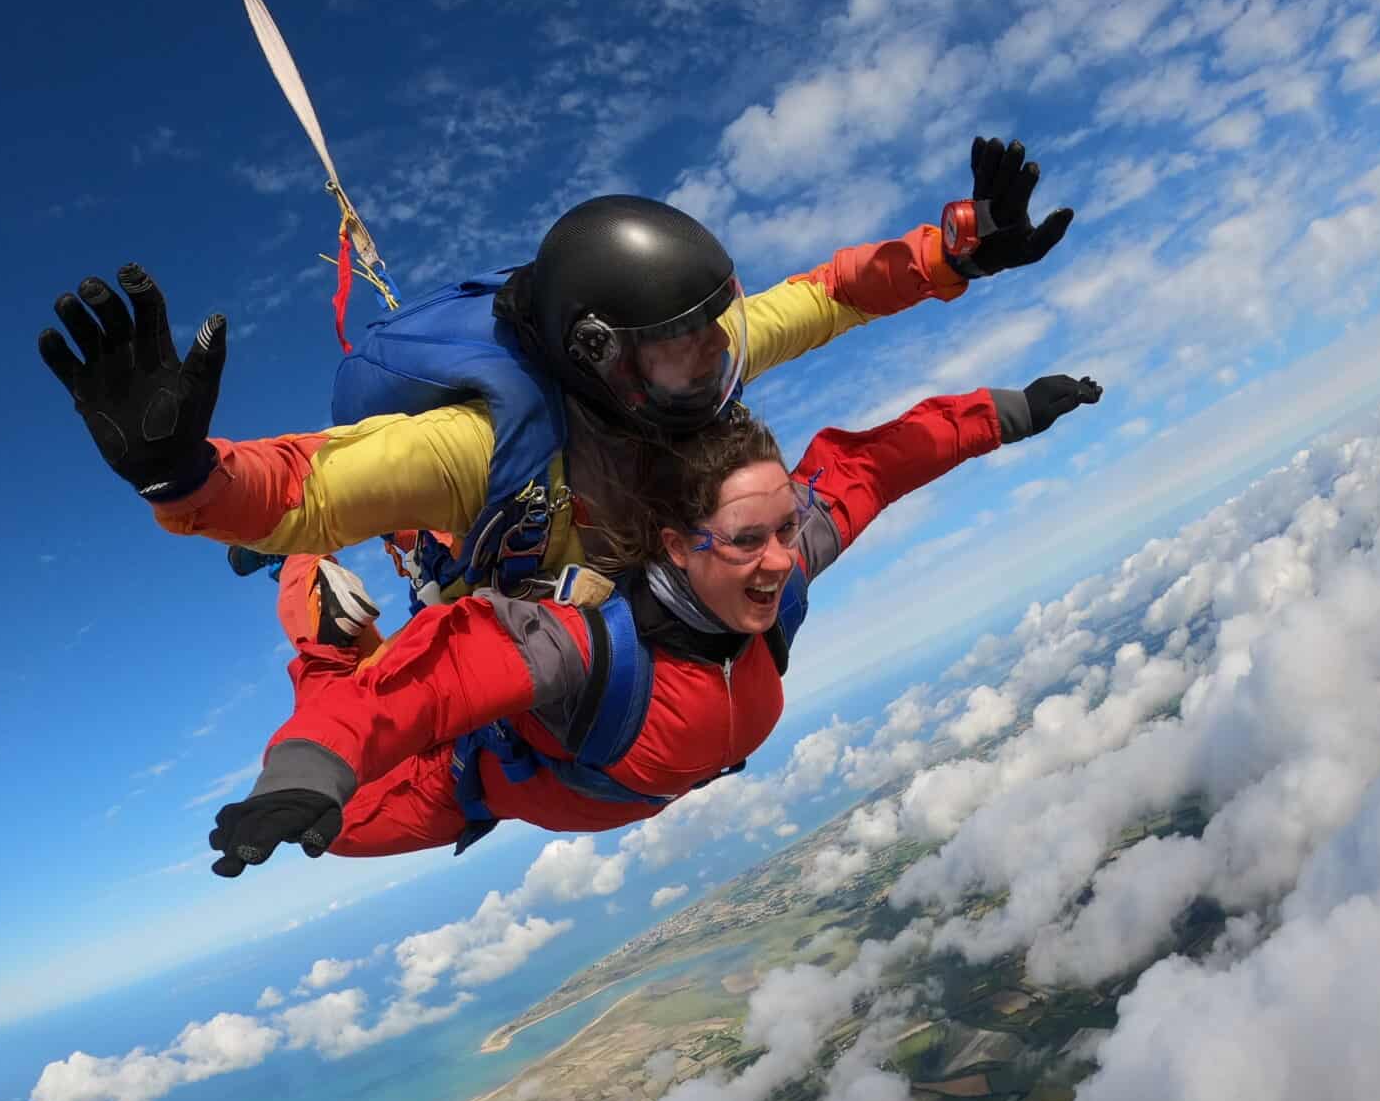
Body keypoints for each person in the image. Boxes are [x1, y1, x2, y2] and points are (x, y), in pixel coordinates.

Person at [38, 138, 1076, 602]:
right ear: (596, 354)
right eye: (685, 342)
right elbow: (305, 489)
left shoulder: (682, 358)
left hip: (626, 536)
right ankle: (289, 565)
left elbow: (825, 297)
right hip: (487, 540)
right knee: (356, 529)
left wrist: (953, 252)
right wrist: (181, 476)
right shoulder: (477, 445)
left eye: (714, 327)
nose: (717, 356)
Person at [207, 373, 1103, 876]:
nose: (782, 558)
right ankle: (298, 563)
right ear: (676, 546)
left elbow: (875, 468)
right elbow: (422, 688)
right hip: (460, 777)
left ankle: (407, 539)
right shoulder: (583, 652)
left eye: (786, 526)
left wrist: (1006, 413)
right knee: (337, 805)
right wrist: (308, 769)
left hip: (586, 774)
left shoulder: (774, 571)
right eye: (748, 540)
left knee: (448, 571)